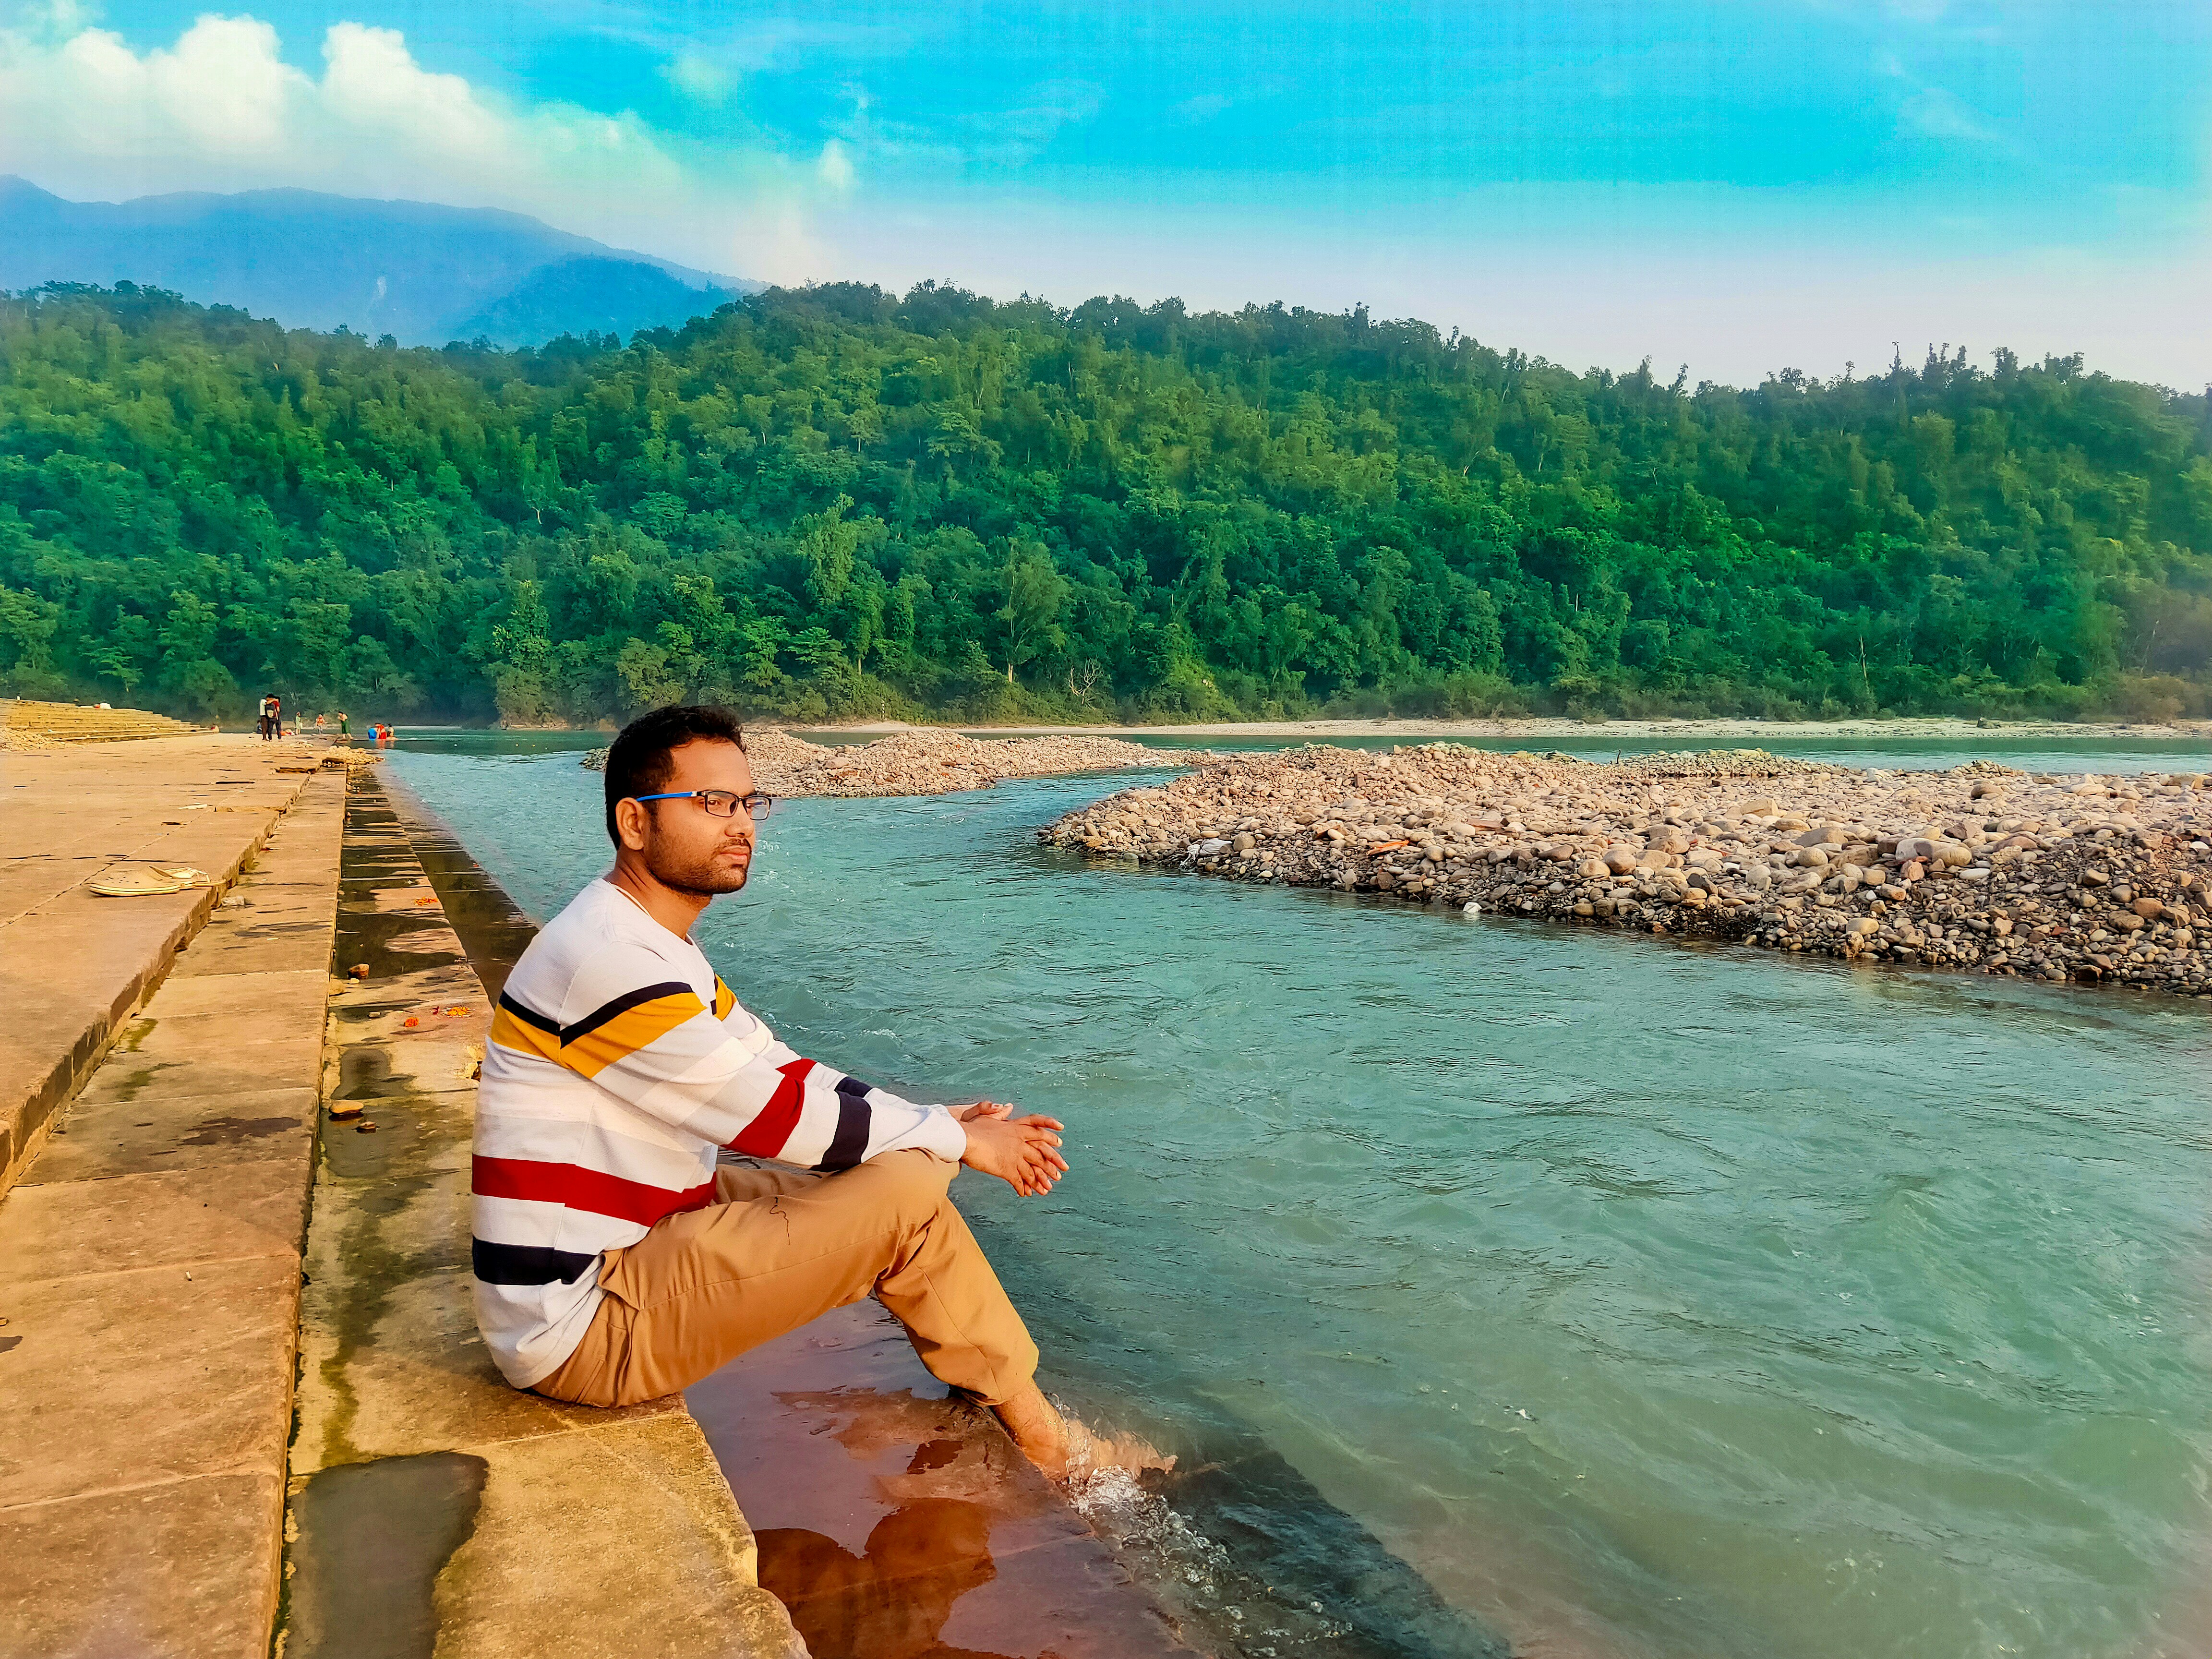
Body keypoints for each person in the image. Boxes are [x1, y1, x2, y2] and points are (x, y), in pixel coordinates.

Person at [469, 704, 1077, 1473]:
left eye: (750, 803)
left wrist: (932, 1118)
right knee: (911, 1180)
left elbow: (778, 1066)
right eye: (712, 803)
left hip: (640, 1232)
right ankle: (1046, 1443)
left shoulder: (651, 945)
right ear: (634, 822)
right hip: (584, 1324)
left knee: (907, 1179)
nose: (742, 824)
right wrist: (956, 1141)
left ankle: (1027, 1422)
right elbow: (772, 1117)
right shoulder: (607, 960)